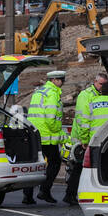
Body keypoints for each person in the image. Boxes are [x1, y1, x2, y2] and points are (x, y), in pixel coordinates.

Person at [63, 72, 108, 207]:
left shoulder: (93, 102)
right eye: (100, 83)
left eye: (103, 85)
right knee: (87, 168)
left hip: (90, 140)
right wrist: (82, 140)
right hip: (95, 141)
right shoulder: (89, 96)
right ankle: (72, 194)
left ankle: (75, 194)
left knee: (85, 168)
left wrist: (85, 140)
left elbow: (85, 121)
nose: (101, 87)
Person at [27, 70, 66, 203]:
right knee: (55, 163)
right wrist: (58, 131)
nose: (63, 83)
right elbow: (51, 119)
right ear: (54, 80)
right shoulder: (52, 94)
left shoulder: (38, 92)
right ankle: (45, 191)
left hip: (35, 133)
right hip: (47, 136)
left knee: (34, 165)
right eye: (61, 80)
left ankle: (27, 196)